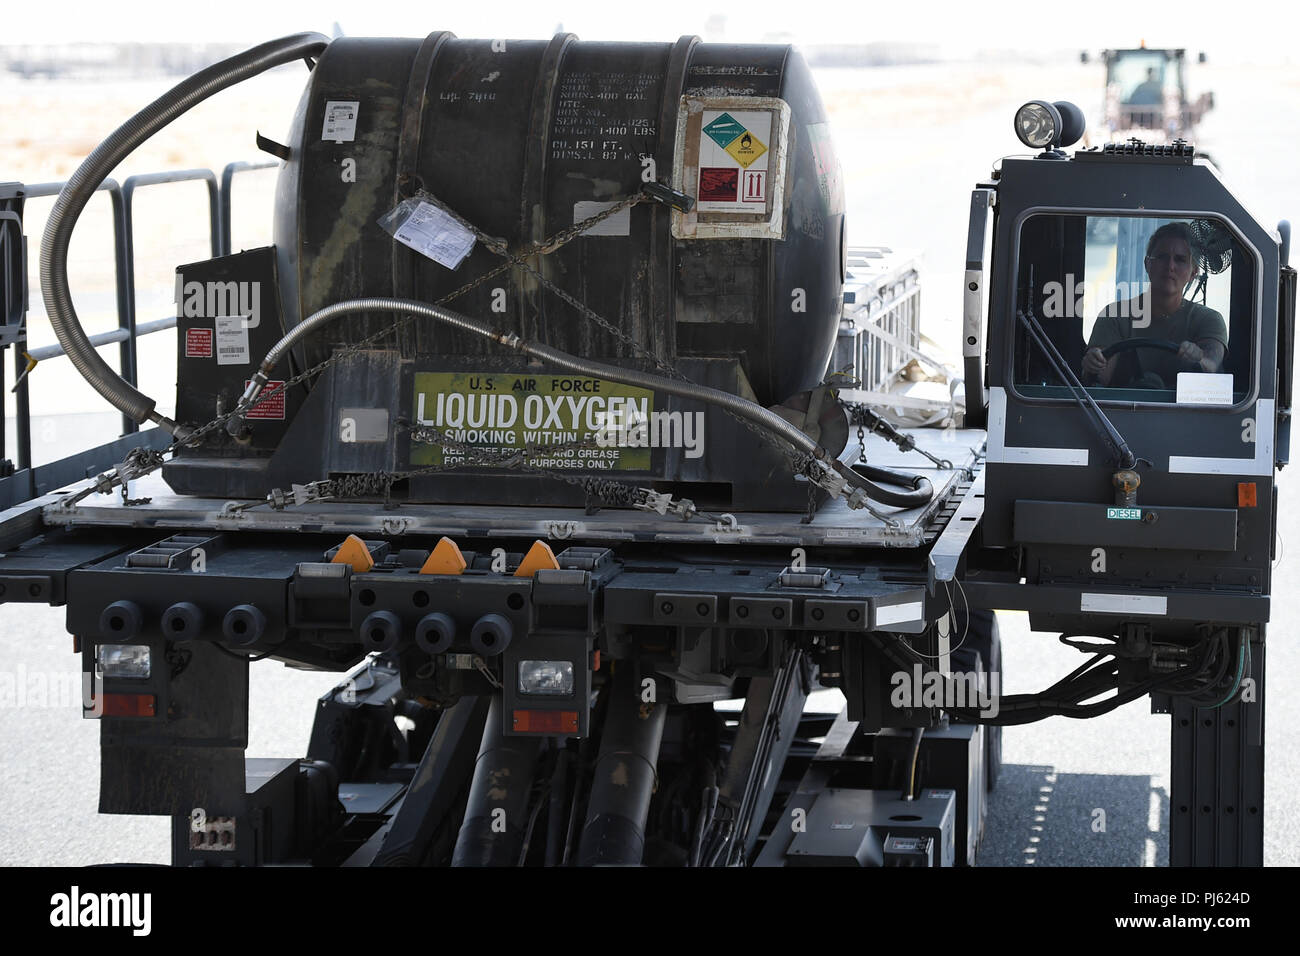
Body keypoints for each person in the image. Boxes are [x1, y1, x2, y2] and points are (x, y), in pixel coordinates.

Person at [1081, 221, 1226, 389]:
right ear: (1147, 264)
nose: (1170, 266)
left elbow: (1212, 366)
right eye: (1162, 257)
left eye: (1180, 260)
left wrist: (1199, 357)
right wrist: (1093, 363)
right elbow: (1097, 379)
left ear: (1193, 272)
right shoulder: (1114, 316)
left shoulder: (1209, 320)